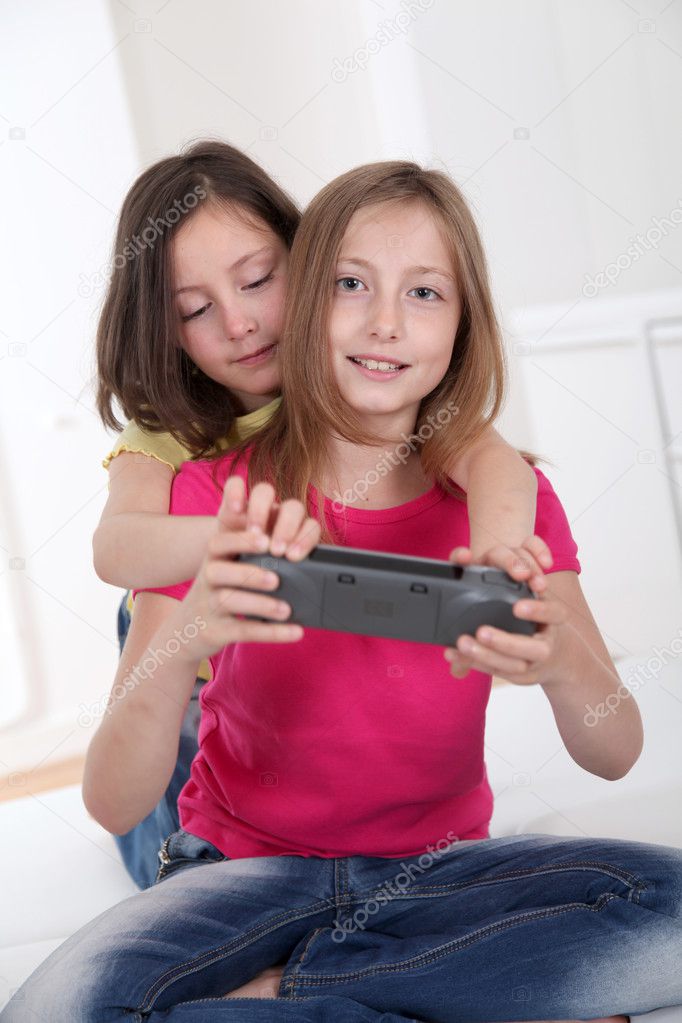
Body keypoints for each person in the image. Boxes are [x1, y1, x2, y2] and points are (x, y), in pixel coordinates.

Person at [7, 161, 674, 1023]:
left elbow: (615, 748)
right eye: (352, 284)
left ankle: (298, 991)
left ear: (465, 323)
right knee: (57, 1010)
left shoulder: (511, 502)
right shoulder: (219, 495)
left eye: (426, 293)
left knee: (669, 904)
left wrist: (559, 661)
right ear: (308, 303)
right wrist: (190, 636)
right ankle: (468, 995)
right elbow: (112, 798)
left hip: (433, 874)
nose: (387, 321)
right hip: (246, 872)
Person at [92, 142, 550, 890]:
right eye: (198, 310)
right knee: (174, 815)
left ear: (308, 262)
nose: (239, 323)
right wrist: (236, 542)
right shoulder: (170, 437)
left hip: (297, 621)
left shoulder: (356, 372)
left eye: (259, 281)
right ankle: (169, 864)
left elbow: (492, 457)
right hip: (194, 604)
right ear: (165, 332)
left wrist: (496, 564)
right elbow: (116, 548)